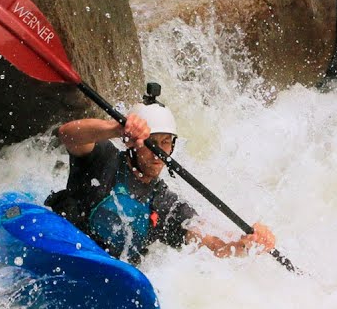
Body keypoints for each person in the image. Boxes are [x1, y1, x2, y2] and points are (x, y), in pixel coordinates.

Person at [45, 85, 276, 265]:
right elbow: (68, 134)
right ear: (133, 143)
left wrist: (245, 245)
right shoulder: (105, 159)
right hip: (65, 242)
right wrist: (116, 129)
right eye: (152, 143)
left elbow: (213, 245)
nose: (159, 152)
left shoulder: (166, 204)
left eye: (166, 143)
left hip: (109, 269)